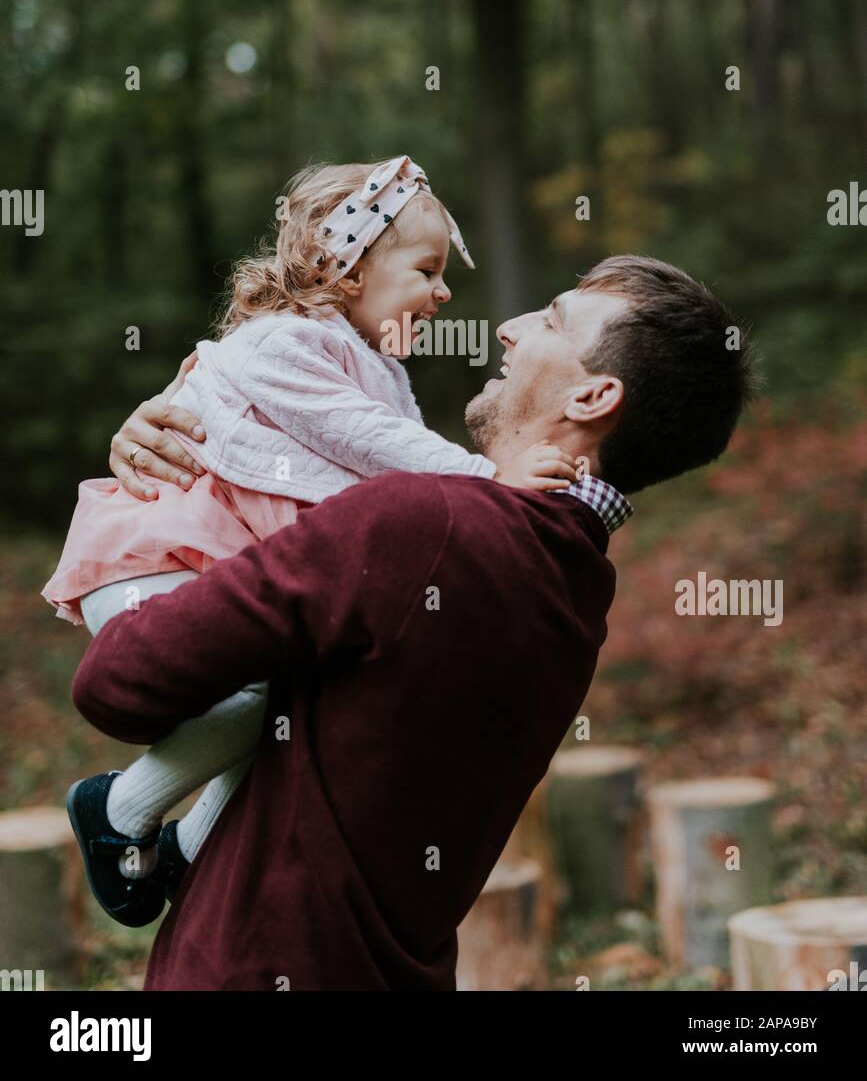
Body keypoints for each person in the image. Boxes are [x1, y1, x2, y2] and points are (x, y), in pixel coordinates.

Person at [72, 254, 756, 990]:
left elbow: (119, 683)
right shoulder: (576, 591)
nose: (508, 328)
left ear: (592, 396)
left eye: (550, 320)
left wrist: (148, 507)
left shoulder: (419, 526)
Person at [43, 157, 577, 926]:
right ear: (347, 268)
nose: (445, 290)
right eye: (425, 269)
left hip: (204, 557)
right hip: (154, 552)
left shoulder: (374, 364)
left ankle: (190, 849)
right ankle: (117, 812)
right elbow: (369, 444)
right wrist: (488, 476)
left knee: (293, 702)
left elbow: (392, 486)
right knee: (259, 696)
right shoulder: (285, 341)